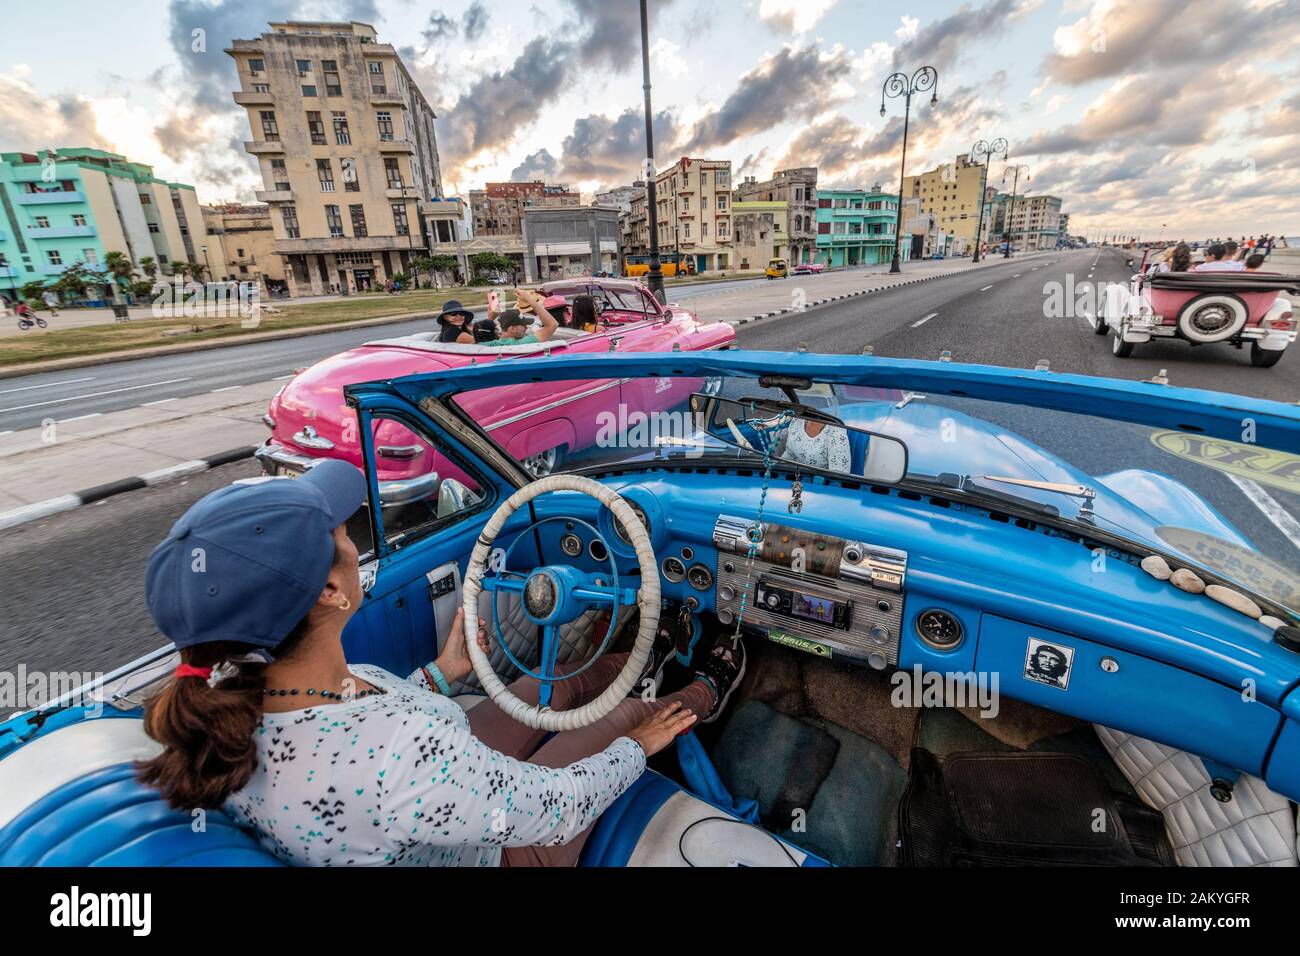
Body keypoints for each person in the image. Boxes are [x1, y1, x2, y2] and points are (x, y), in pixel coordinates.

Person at [135, 460, 747, 867]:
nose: (353, 535)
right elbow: (557, 811)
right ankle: (704, 693)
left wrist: (444, 673)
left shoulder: (234, 698)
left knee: (551, 685)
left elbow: (360, 723)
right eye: (342, 532)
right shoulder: (396, 754)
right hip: (501, 850)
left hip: (439, 787)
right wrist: (637, 745)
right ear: (328, 592)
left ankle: (655, 649)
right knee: (620, 720)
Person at [481, 289, 559, 347]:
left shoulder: (490, 344)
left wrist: (490, 319)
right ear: (513, 329)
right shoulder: (521, 343)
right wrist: (529, 299)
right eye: (523, 325)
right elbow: (552, 324)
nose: (526, 327)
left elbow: (477, 336)